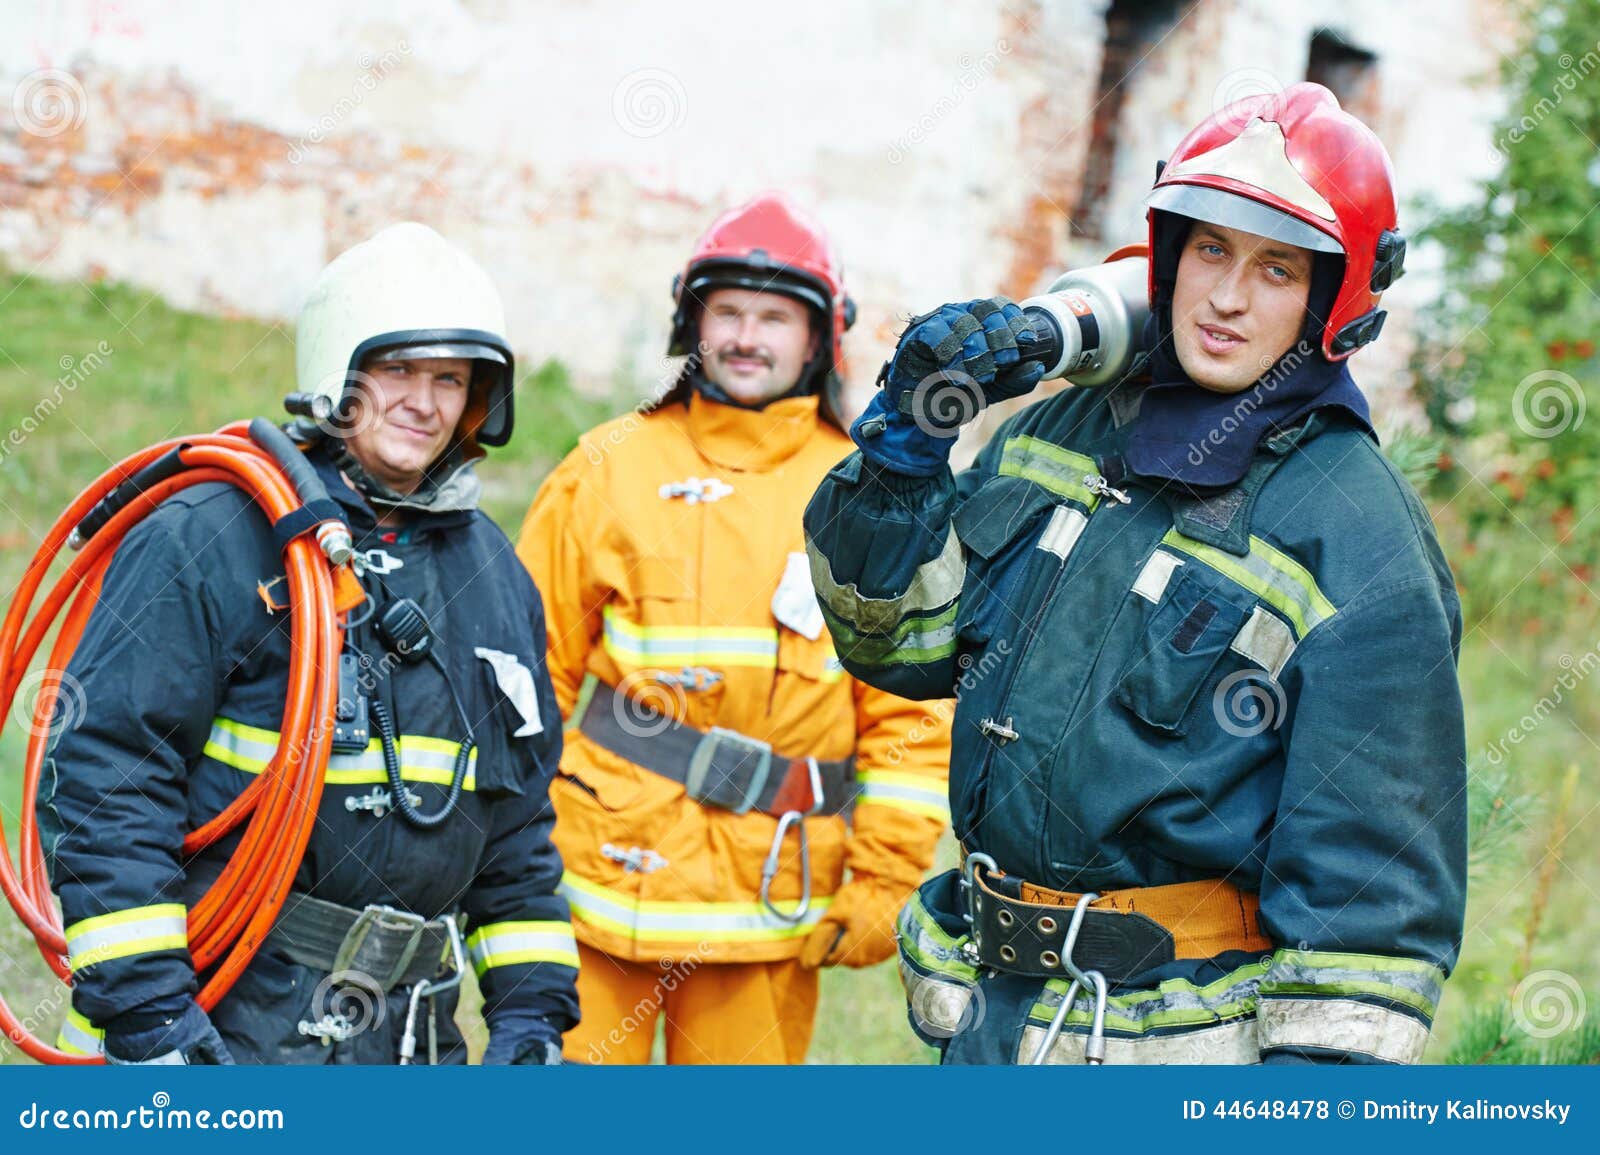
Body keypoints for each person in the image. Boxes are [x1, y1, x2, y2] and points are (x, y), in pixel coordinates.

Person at [804, 83, 1466, 1065]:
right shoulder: (1066, 430)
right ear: (1166, 254)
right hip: (988, 1030)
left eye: (1276, 268)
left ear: (1332, 301)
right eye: (1210, 249)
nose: (1229, 297)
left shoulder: (1357, 537)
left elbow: (1365, 934)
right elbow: (896, 646)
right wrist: (903, 464)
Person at [41, 222, 578, 1064]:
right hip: (225, 1018)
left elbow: (516, 822)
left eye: (450, 378)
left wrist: (531, 1012)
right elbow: (112, 773)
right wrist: (149, 1016)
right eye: (397, 369)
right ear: (339, 375)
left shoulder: (495, 576)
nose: (424, 402)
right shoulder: (212, 536)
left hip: (409, 1041)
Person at [516, 193, 952, 1064]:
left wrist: (882, 877)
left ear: (822, 337)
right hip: (595, 877)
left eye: (775, 317)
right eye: (729, 313)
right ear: (692, 325)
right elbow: (533, 676)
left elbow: (910, 713)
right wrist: (508, 853)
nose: (749, 336)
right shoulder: (606, 466)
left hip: (769, 897)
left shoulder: (869, 496)